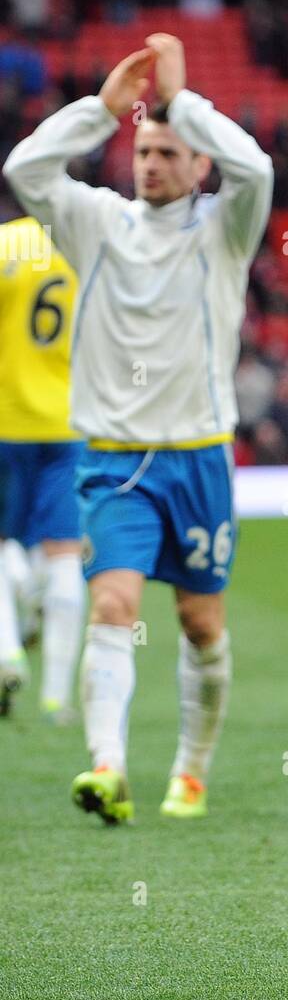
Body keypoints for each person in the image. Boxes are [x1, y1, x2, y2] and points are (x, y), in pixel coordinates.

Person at [3, 33, 273, 822]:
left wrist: (184, 102)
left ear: (198, 166)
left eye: (167, 153)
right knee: (113, 605)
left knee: (199, 623)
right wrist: (100, 109)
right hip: (113, 460)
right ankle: (108, 768)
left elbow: (257, 168)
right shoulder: (95, 220)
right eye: (143, 150)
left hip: (199, 457)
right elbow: (25, 170)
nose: (149, 164)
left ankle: (190, 770)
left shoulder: (226, 228)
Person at [0, 219, 84, 722]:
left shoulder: (6, 243)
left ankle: (7, 652)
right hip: (69, 422)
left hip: (6, 420)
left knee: (3, 542)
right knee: (66, 552)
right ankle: (57, 697)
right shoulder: (85, 242)